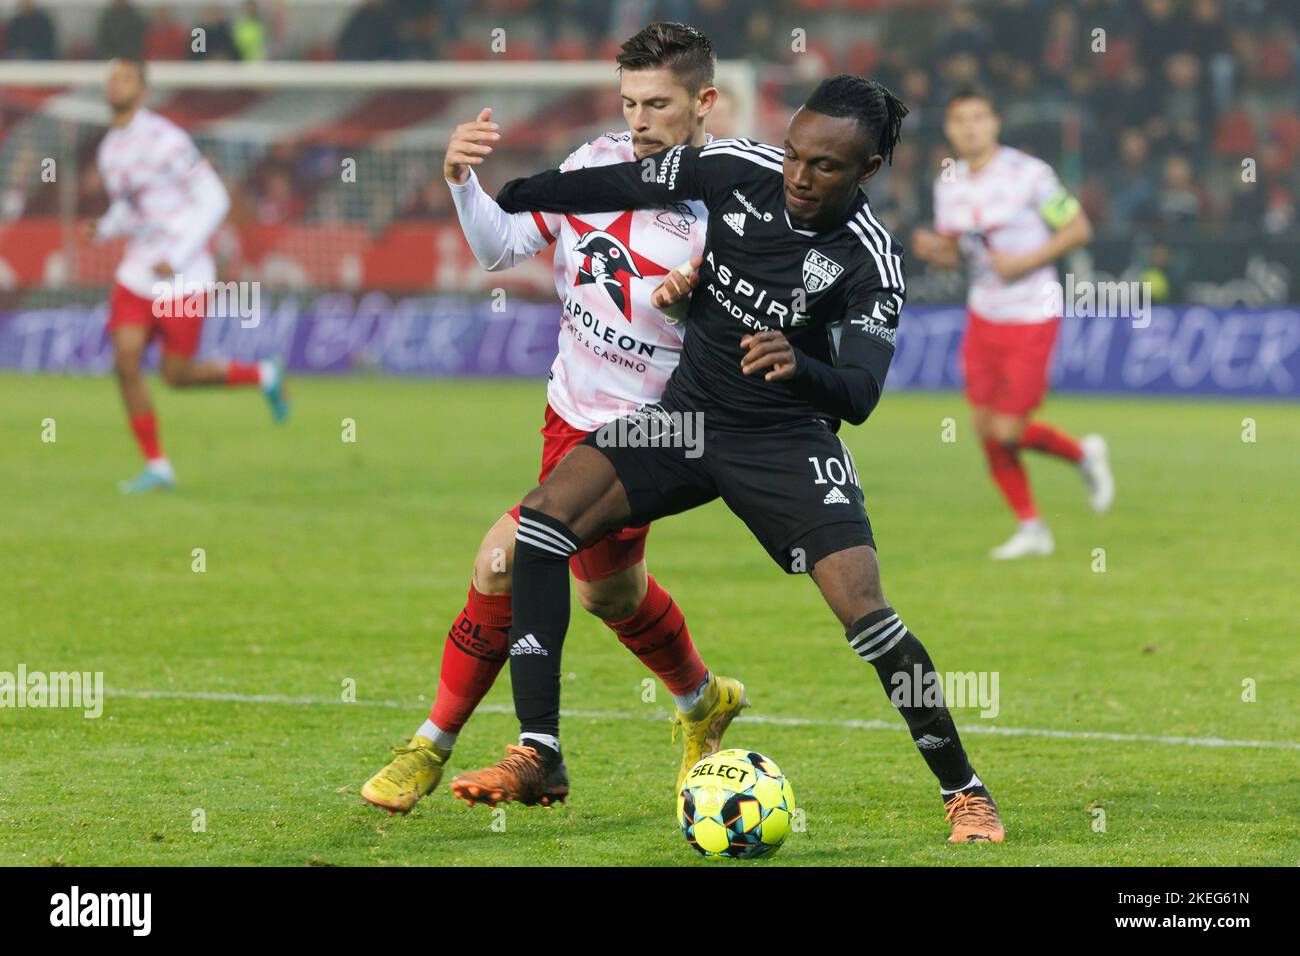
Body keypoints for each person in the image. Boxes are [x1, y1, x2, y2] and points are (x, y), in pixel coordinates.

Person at [451, 74, 1006, 844]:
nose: (800, 178)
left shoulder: (868, 259)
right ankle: (541, 751)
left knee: (869, 619)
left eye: (826, 167)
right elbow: (623, 180)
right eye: (796, 156)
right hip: (683, 422)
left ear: (868, 170)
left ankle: (965, 791)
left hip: (782, 446)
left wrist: (799, 365)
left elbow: (860, 393)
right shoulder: (738, 168)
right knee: (541, 527)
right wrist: (515, 192)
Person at [360, 22, 747, 815]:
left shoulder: (732, 205)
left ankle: (435, 747)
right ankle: (703, 701)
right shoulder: (595, 164)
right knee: (610, 593)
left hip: (648, 433)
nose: (638, 120)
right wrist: (464, 184)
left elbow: (751, 343)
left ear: (704, 101)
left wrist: (704, 301)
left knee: (503, 560)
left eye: (658, 104)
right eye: (629, 102)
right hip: (568, 413)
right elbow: (500, 250)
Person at [912, 87, 1113, 559]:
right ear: (949, 129)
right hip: (984, 311)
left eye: (979, 117)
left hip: (1031, 309)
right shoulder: (949, 184)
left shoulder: (1030, 175)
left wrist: (1026, 262)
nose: (970, 127)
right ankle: (1032, 527)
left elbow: (1078, 227)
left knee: (1006, 428)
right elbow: (957, 256)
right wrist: (933, 251)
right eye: (961, 120)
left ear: (995, 123)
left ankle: (1083, 454)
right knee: (984, 425)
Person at [88, 58, 288, 495]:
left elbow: (214, 199)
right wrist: (103, 227)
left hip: (184, 276)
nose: (114, 84)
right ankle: (157, 464)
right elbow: (130, 205)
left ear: (142, 91)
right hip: (137, 270)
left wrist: (177, 254)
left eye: (124, 78)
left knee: (176, 375)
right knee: (125, 362)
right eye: (111, 78)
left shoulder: (166, 140)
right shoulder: (108, 150)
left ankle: (262, 376)